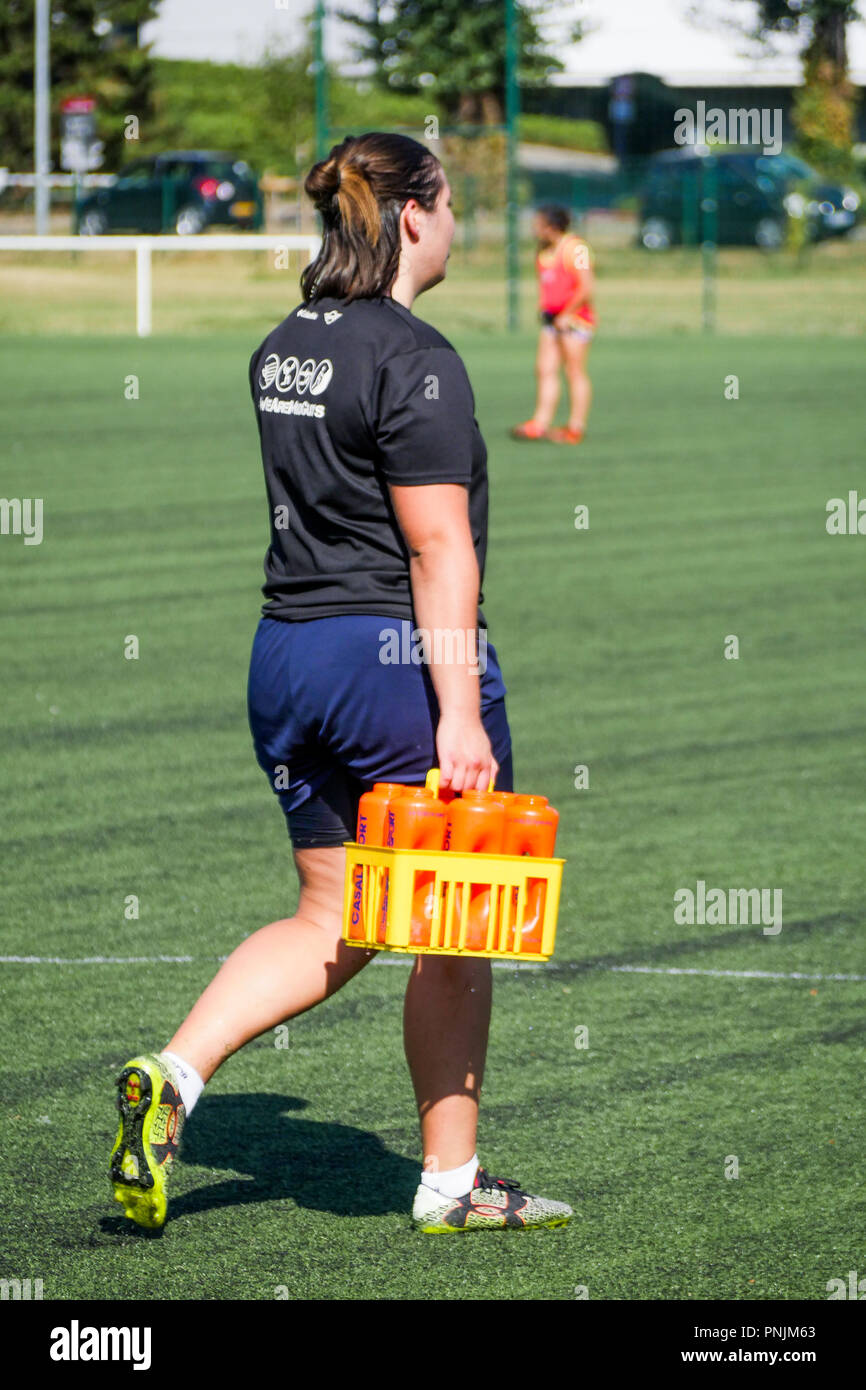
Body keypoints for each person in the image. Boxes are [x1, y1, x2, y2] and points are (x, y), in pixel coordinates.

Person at [108, 133, 573, 1236]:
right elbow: (435, 548)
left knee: (333, 910)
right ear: (414, 217)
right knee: (453, 924)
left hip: (286, 659)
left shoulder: (282, 344)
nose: (458, 223)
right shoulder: (416, 356)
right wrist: (457, 709)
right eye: (452, 203)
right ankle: (451, 1185)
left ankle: (175, 1077)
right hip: (390, 668)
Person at [511, 204, 596, 445]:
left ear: (552, 226)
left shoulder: (576, 248)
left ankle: (575, 427)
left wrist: (566, 314)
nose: (534, 230)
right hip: (552, 320)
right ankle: (540, 423)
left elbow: (586, 287)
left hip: (574, 321)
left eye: (538, 225)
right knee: (545, 369)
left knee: (574, 370)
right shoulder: (543, 250)